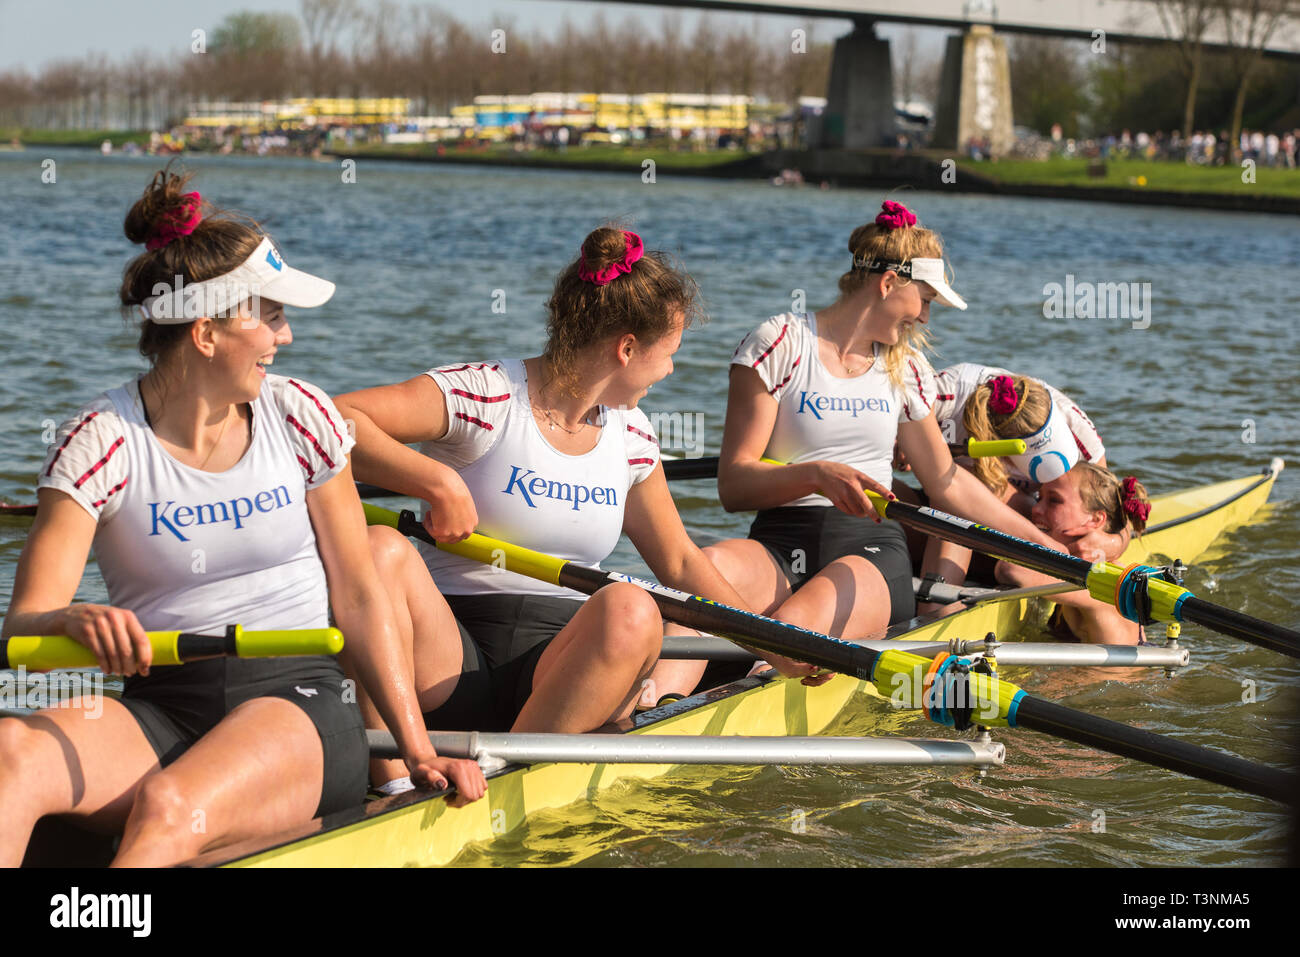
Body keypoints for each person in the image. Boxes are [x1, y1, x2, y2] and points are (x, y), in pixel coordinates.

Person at [0, 169, 484, 868]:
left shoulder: (301, 416)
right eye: (271, 316)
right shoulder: (100, 440)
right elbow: (23, 625)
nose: (284, 338)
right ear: (206, 332)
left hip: (300, 698)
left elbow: (358, 590)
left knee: (169, 808)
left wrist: (414, 744)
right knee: (12, 752)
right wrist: (68, 619)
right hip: (162, 701)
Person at [335, 226, 788, 790]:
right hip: (445, 657)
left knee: (632, 606)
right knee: (380, 548)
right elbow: (335, 417)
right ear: (627, 349)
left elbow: (680, 564)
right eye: (669, 354)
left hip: (562, 671)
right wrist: (434, 480)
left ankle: (510, 778)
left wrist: (775, 642)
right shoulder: (488, 395)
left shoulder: (632, 435)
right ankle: (392, 780)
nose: (671, 370)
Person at [664, 201, 1068, 690]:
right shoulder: (779, 344)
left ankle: (745, 675)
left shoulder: (907, 371)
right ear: (889, 283)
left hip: (870, 550)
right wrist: (815, 475)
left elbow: (945, 482)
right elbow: (734, 485)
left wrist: (1045, 546)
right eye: (925, 299)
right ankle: (648, 705)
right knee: (706, 574)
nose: (923, 316)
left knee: (781, 644)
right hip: (777, 542)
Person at [915, 363, 1121, 589]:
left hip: (1022, 523)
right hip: (944, 507)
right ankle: (935, 606)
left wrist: (1112, 543)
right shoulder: (947, 395)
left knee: (1070, 517)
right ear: (1002, 448)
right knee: (951, 489)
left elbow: (1114, 513)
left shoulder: (1078, 430)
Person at [997, 463, 1152, 644]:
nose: (1036, 509)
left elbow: (1010, 569)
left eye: (1054, 500)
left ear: (1095, 519)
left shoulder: (1105, 578)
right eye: (1039, 498)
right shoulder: (1087, 566)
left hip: (1117, 673)